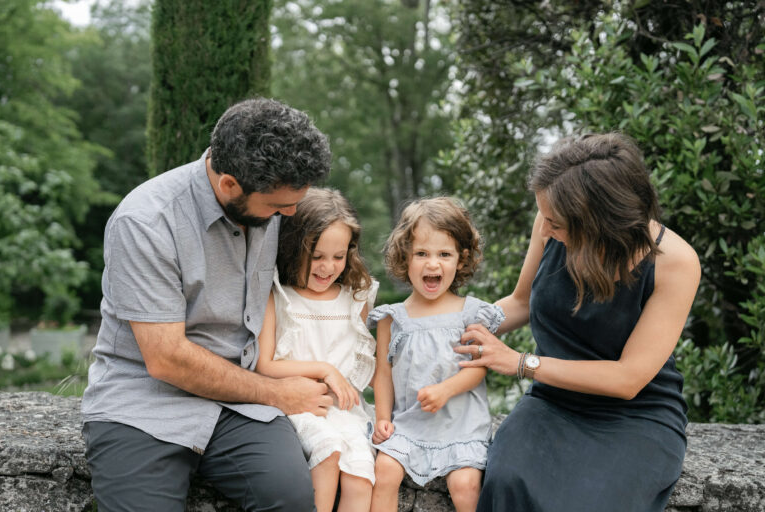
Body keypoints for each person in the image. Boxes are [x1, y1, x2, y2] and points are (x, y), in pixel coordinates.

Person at [81, 98, 335, 512]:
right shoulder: (145, 222)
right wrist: (278, 394)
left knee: (290, 499)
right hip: (142, 403)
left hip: (239, 405)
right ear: (229, 184)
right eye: (277, 206)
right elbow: (167, 360)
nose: (291, 214)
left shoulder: (270, 201)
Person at [455, 133, 701, 512]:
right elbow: (521, 302)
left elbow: (627, 378)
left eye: (555, 224)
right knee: (506, 482)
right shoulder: (553, 215)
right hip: (553, 401)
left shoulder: (676, 263)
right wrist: (454, 325)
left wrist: (521, 363)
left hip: (636, 416)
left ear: (601, 221)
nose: (544, 230)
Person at [368, 197, 505, 512]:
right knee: (385, 471)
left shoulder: (470, 313)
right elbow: (384, 373)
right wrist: (383, 418)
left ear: (461, 259)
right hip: (409, 422)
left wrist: (446, 390)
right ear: (405, 258)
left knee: (466, 484)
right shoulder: (393, 317)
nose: (433, 264)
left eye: (444, 254)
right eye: (421, 254)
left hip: (460, 424)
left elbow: (478, 368)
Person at [254, 187, 379, 512]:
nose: (328, 267)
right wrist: (324, 369)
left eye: (338, 257)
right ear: (293, 247)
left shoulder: (356, 298)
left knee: (361, 472)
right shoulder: (278, 296)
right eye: (318, 256)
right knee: (328, 449)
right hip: (298, 408)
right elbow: (264, 365)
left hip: (345, 411)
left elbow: (363, 365)